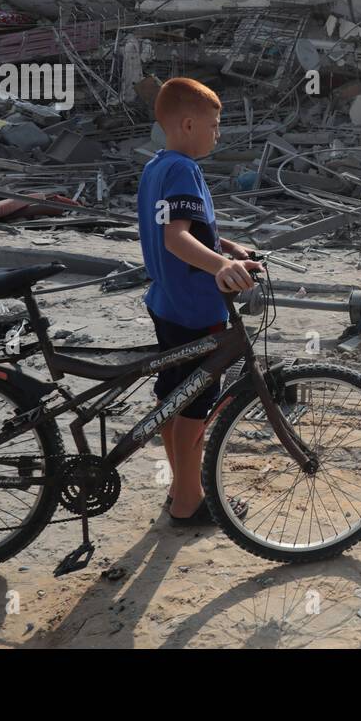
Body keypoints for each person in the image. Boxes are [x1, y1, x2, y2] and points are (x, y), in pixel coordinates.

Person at [137, 77, 263, 525]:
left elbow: (182, 225)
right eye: (213, 125)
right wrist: (219, 268)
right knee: (196, 405)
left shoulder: (158, 166)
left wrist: (227, 247)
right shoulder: (184, 171)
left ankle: (179, 488)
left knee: (173, 397)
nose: (217, 133)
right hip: (195, 307)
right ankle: (190, 501)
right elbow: (177, 238)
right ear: (188, 124)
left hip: (165, 302)